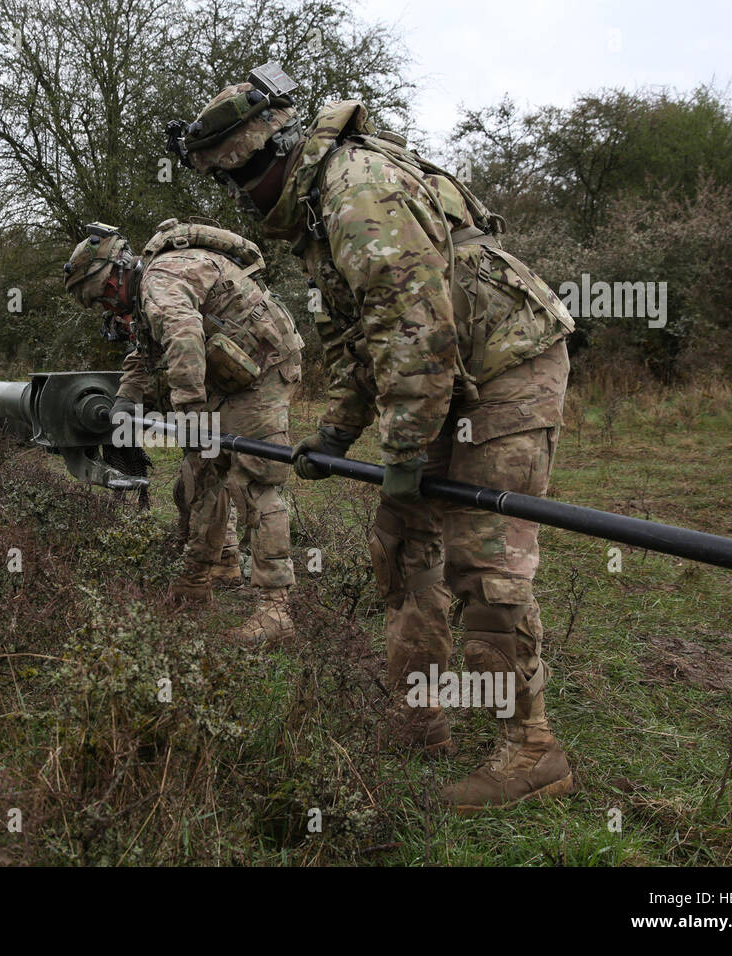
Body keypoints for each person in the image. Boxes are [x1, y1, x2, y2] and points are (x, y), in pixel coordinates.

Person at [174, 63, 577, 812]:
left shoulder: (356, 195)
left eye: (233, 181)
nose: (237, 199)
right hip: (441, 373)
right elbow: (364, 343)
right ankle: (418, 714)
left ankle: (531, 748)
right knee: (402, 540)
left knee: (483, 559)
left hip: (506, 366)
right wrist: (334, 432)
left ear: (257, 162)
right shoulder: (321, 211)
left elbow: (415, 337)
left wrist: (398, 457)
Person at [63, 220, 303, 645]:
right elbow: (144, 355)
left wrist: (188, 413)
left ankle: (275, 608)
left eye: (102, 294)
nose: (105, 307)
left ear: (118, 273)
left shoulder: (159, 280)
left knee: (255, 483)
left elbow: (184, 337)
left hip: (262, 372)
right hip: (226, 376)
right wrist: (124, 402)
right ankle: (202, 577)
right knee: (199, 477)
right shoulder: (141, 299)